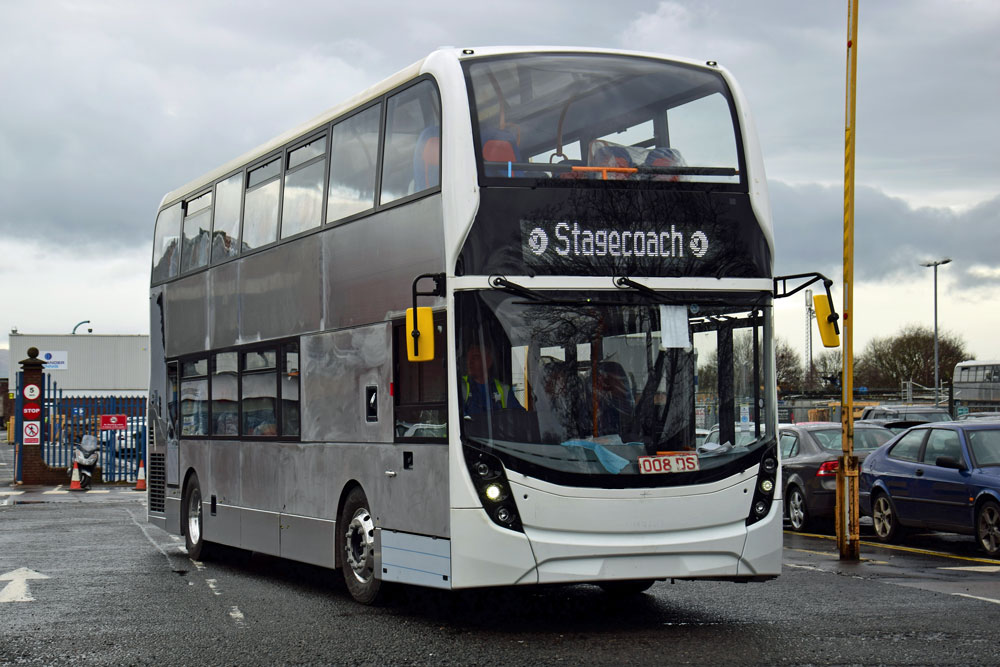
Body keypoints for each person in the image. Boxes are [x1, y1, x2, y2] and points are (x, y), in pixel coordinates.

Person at [462, 343, 520, 417]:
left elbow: (519, 416)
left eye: (475, 357)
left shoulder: (503, 389)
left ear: (488, 361)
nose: (470, 362)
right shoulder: (460, 386)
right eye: (468, 358)